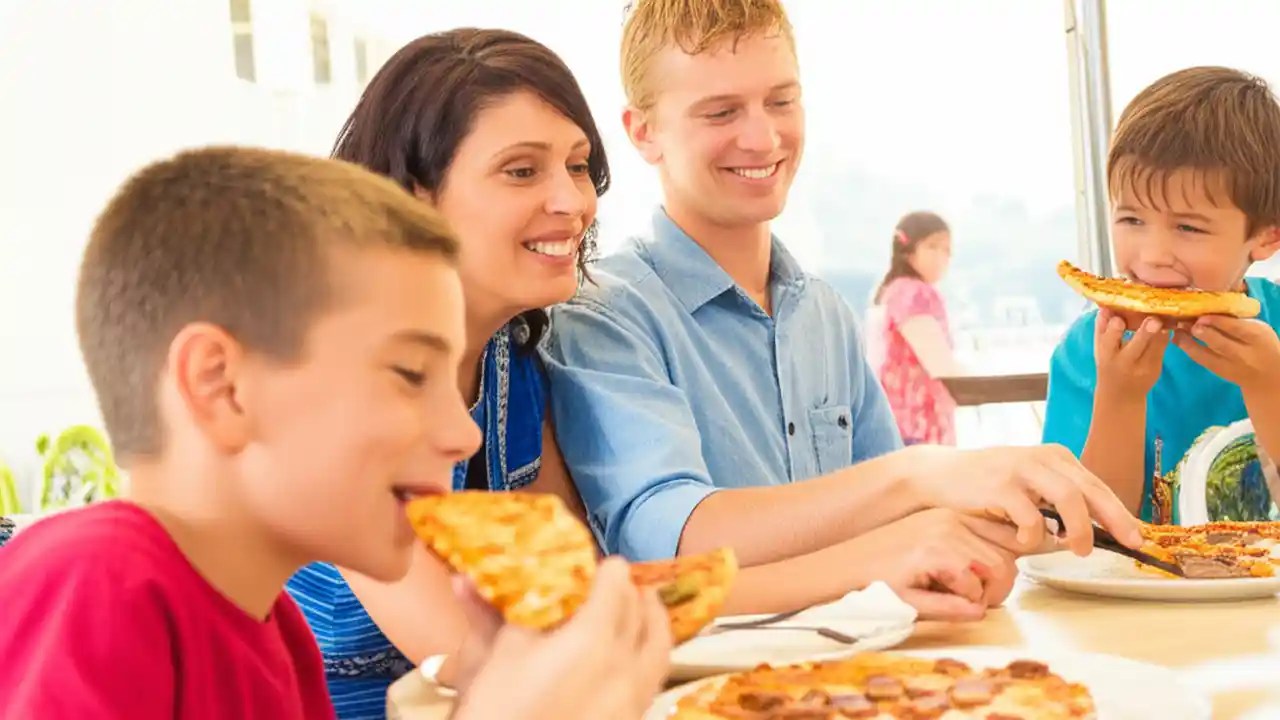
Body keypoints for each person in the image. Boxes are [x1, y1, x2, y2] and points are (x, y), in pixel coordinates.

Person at [0, 146, 671, 719]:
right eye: (410, 374)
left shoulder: (281, 635)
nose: (461, 435)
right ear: (222, 387)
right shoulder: (93, 581)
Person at [542, 0, 1142, 619]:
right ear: (643, 131)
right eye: (721, 112)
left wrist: (980, 527)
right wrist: (920, 474)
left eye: (781, 101)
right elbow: (670, 542)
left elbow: (897, 519)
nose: (763, 137)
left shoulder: (822, 313)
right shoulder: (604, 314)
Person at [284, 28, 611, 717]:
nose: (571, 202)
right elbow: (472, 654)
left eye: (578, 166)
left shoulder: (514, 366)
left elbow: (571, 593)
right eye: (522, 171)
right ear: (414, 196)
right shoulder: (337, 385)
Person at [1043, 66, 1280, 522]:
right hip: (1137, 591)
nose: (1152, 257)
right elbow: (1082, 533)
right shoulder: (1087, 351)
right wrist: (1120, 397)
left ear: (1267, 237)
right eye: (1131, 220)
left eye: (1188, 227)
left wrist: (1269, 385)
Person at [870, 211, 962, 446]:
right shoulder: (913, 293)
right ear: (907, 250)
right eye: (932, 247)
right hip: (917, 427)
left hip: (897, 425)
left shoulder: (890, 291)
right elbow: (941, 365)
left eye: (947, 251)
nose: (941, 257)